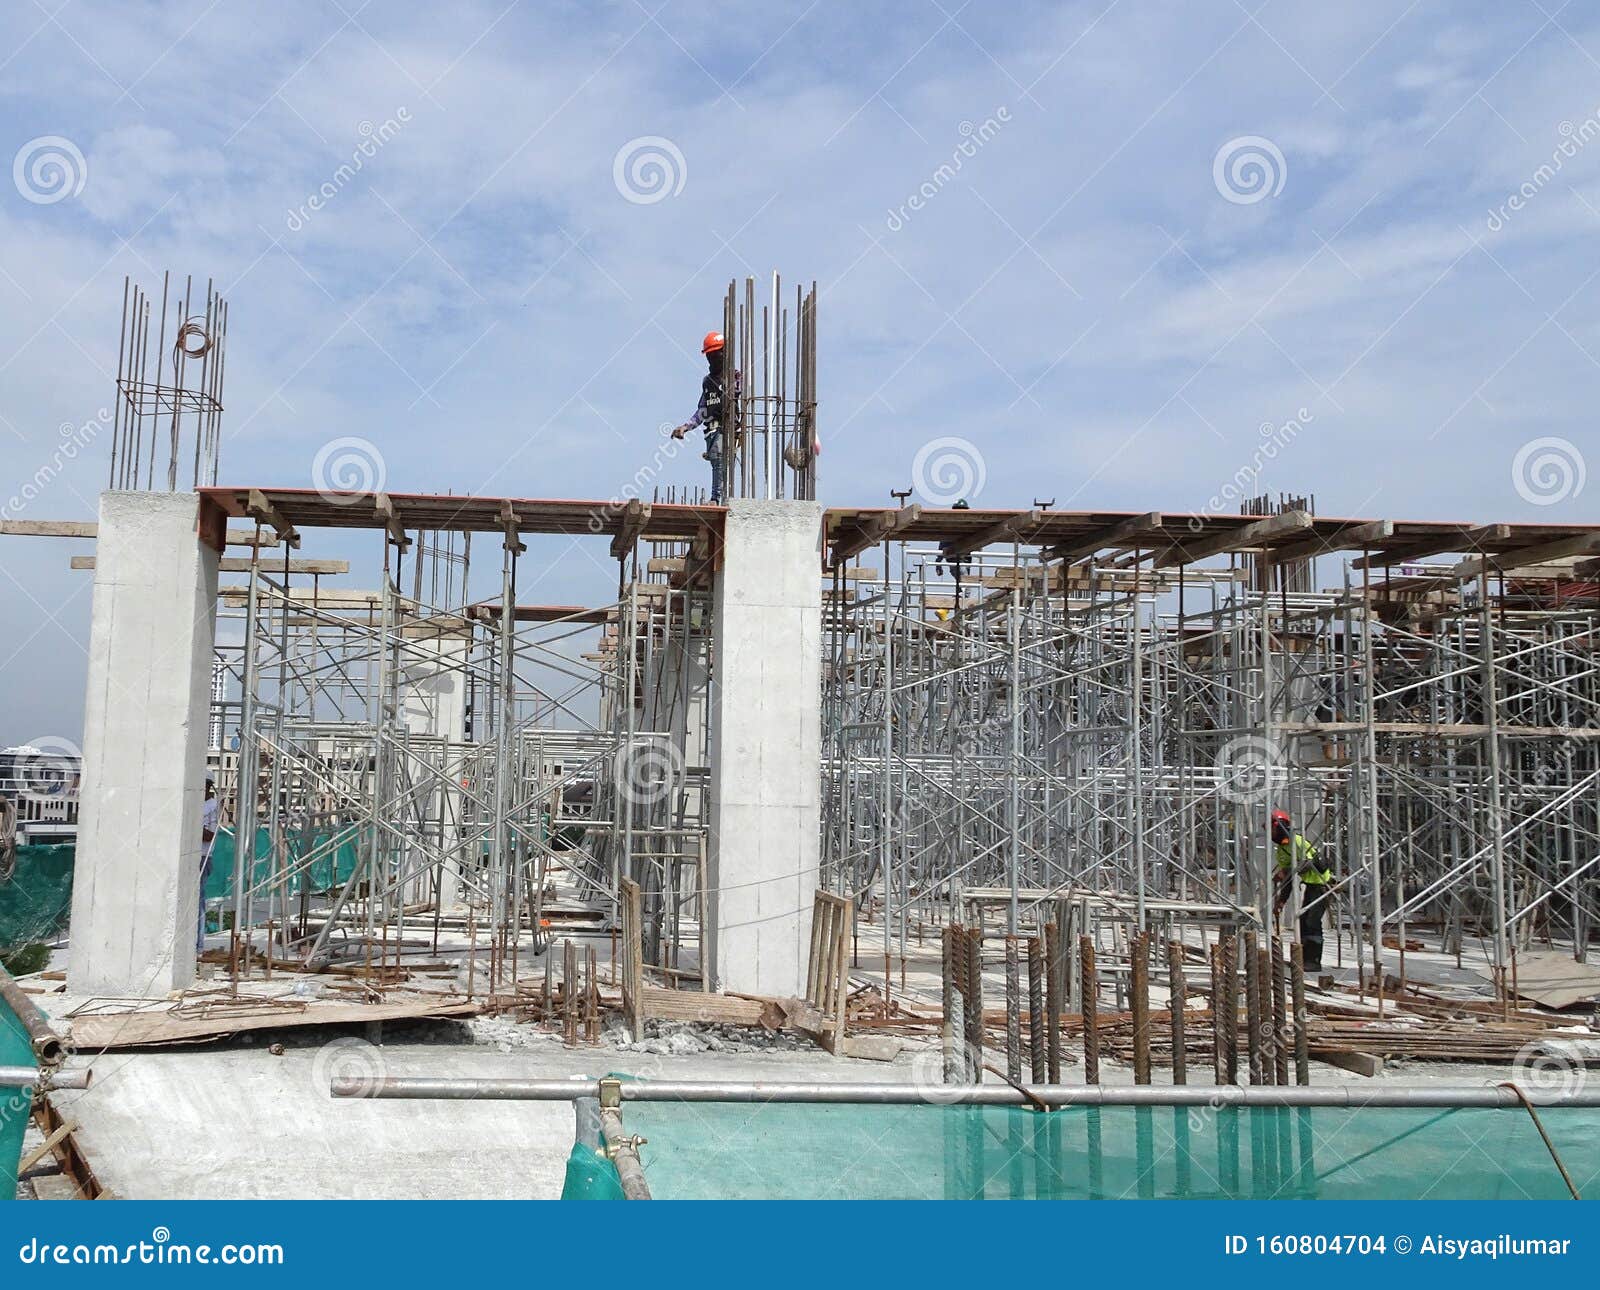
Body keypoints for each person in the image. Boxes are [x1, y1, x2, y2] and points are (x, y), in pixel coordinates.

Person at [670, 330, 737, 503]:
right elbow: (702, 410)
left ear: (725, 353)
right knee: (717, 460)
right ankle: (717, 497)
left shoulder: (735, 377)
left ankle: (717, 498)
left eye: (716, 354)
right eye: (710, 355)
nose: (713, 358)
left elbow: (742, 399)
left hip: (728, 428)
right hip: (712, 431)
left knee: (720, 459)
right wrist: (686, 427)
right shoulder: (708, 382)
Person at [1272, 808, 1333, 972]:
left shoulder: (1298, 842)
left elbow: (1320, 866)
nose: (1271, 832)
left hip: (1322, 884)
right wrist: (1281, 901)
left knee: (1311, 921)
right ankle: (1305, 959)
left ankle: (1313, 960)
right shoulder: (1282, 850)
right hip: (1311, 885)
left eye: (1272, 828)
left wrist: (1296, 867)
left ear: (1280, 827)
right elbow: (1288, 880)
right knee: (1305, 920)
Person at [198, 774, 219, 955]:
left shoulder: (212, 806)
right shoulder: (197, 804)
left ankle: (198, 946)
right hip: (193, 856)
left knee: (198, 902)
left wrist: (193, 825)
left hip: (203, 857)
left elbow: (210, 835)